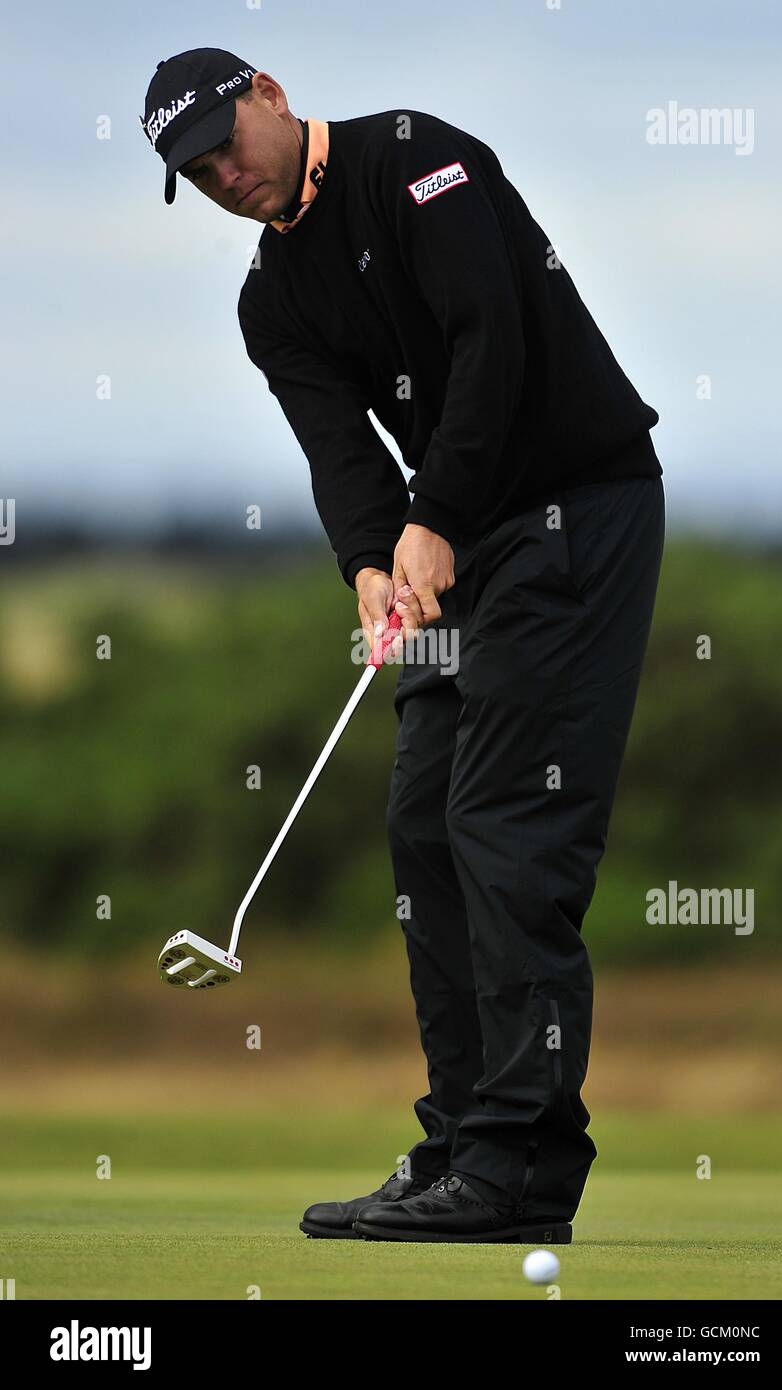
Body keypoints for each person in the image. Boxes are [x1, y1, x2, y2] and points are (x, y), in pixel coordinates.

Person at [141, 48, 665, 1244]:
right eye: (196, 171)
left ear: (269, 93)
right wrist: (376, 564)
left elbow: (492, 344)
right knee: (423, 818)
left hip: (573, 511)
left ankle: (521, 1164)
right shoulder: (269, 302)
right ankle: (461, 1146)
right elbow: (343, 458)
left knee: (503, 823)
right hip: (452, 555)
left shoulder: (418, 158)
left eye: (225, 141)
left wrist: (435, 521)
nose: (222, 174)